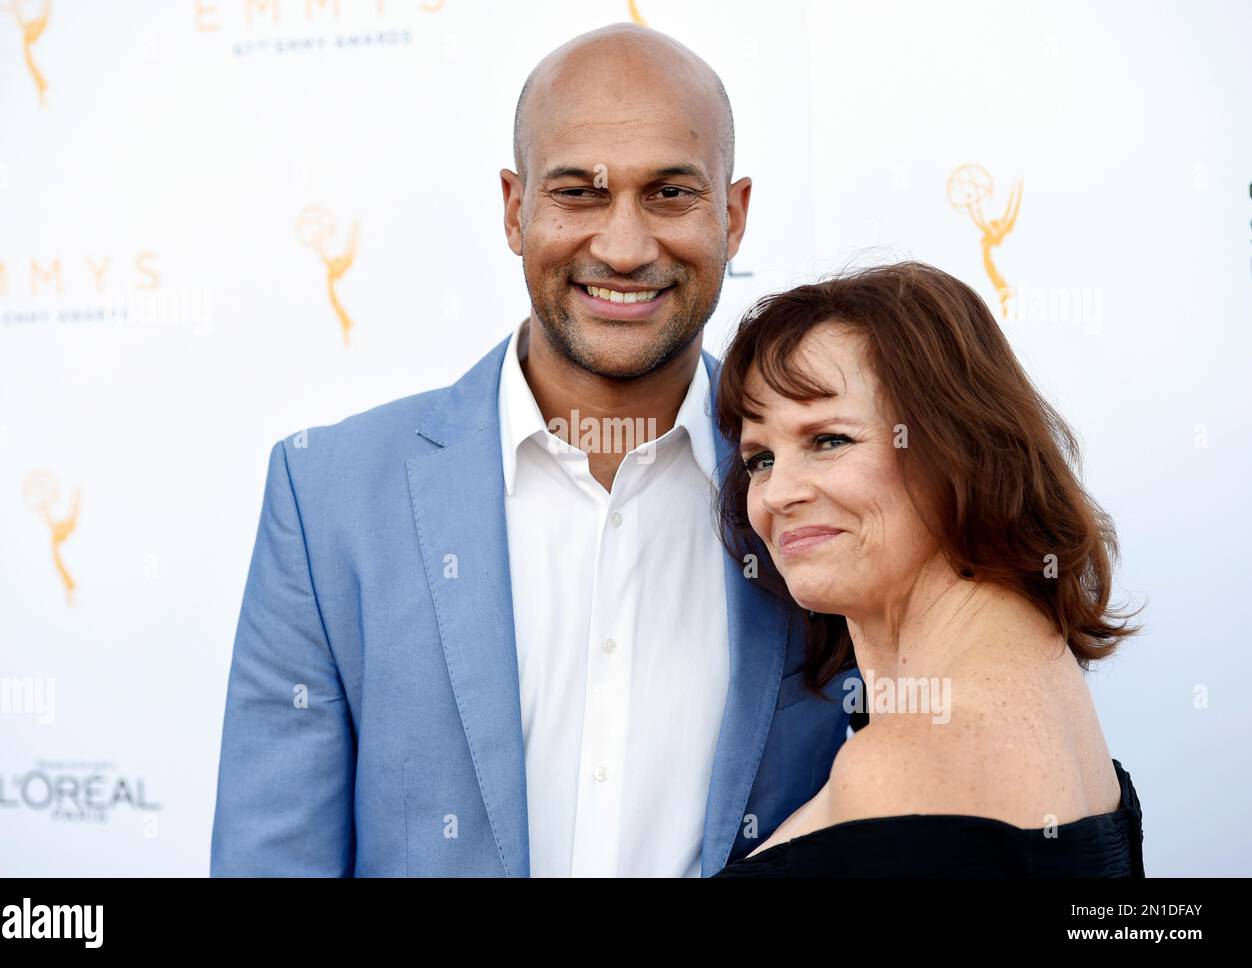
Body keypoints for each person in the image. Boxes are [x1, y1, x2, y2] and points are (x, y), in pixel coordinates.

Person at [210, 23, 851, 877]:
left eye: (668, 193)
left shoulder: (838, 484)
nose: (624, 248)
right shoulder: (328, 497)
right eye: (579, 195)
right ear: (515, 210)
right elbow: (273, 859)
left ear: (732, 217)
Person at [711, 262, 1144, 877]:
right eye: (759, 458)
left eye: (829, 440)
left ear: (955, 444)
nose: (777, 493)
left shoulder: (906, 766)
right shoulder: (1039, 690)